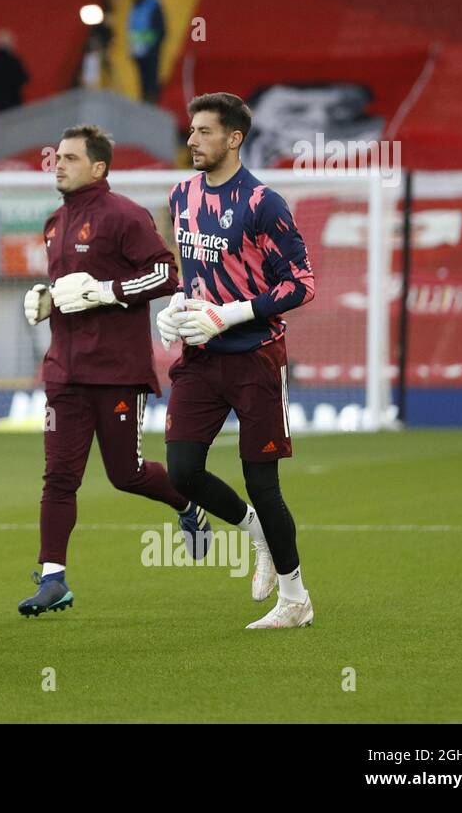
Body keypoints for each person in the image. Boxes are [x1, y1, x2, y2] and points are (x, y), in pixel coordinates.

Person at [17, 124, 211, 617]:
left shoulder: (125, 215)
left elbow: (166, 273)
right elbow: (68, 289)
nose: (57, 164)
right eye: (56, 157)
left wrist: (108, 291)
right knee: (59, 476)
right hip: (64, 373)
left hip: (117, 372)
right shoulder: (53, 223)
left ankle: (188, 505)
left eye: (70, 158)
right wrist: (47, 301)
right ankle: (53, 578)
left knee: (125, 475)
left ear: (98, 167)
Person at [156, 92, 316, 629]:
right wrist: (176, 305)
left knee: (262, 481)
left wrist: (229, 315)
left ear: (233, 138)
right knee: (182, 470)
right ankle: (258, 538)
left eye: (203, 132)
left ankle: (295, 600)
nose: (192, 140)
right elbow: (191, 272)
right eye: (191, 130)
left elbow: (301, 283)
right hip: (200, 357)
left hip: (255, 358)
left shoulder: (262, 202)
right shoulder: (181, 195)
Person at [127, 0, 165, 103]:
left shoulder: (153, 7)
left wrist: (152, 48)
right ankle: (145, 101)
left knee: (151, 79)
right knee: (143, 80)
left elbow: (160, 30)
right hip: (138, 51)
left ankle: (153, 102)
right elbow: (132, 30)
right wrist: (133, 49)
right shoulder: (135, 8)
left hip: (151, 50)